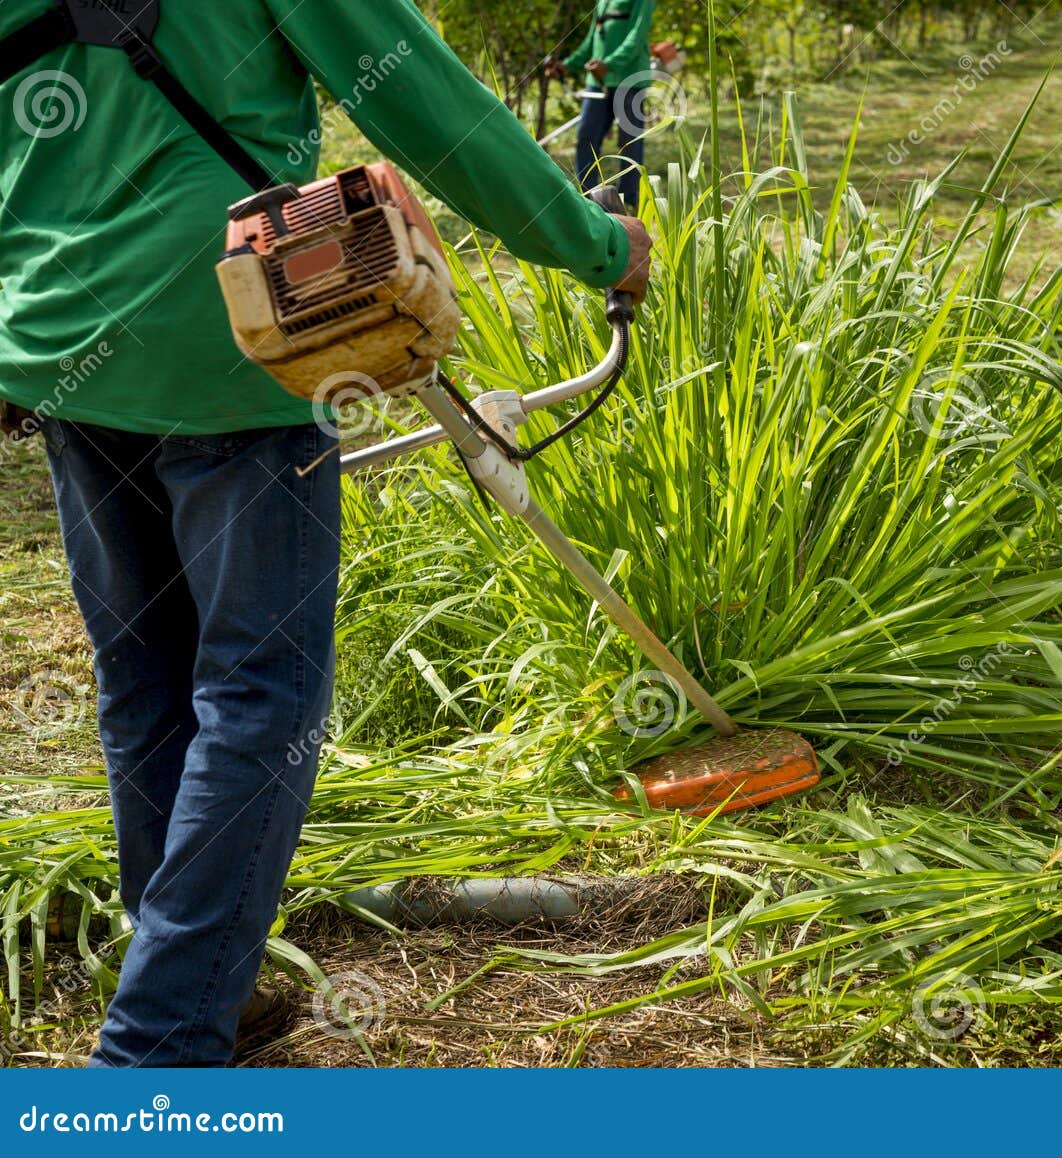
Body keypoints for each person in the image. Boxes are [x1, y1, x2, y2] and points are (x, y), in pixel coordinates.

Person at [0, 0, 649, 1068]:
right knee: (260, 692)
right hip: (238, 338)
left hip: (62, 341)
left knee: (146, 679)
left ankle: (197, 977)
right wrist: (592, 244)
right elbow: (423, 102)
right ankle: (161, 1043)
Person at [547, 0, 658, 210]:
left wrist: (609, 64)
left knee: (629, 143)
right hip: (597, 81)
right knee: (586, 138)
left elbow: (637, 36)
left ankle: (629, 202)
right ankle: (587, 199)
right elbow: (592, 41)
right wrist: (568, 66)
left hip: (629, 78)